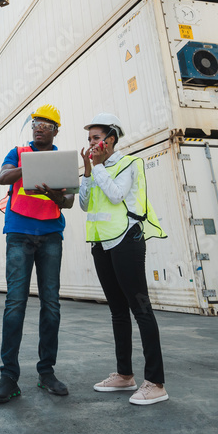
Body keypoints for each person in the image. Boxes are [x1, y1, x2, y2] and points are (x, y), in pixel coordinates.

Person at [78, 113, 169, 406]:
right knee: (117, 311)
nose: (91, 143)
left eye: (96, 138)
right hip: (102, 243)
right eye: (89, 139)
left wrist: (98, 167)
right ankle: (124, 374)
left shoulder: (131, 164)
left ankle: (156, 382)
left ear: (111, 139)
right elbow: (83, 204)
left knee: (141, 309)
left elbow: (117, 196)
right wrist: (87, 171)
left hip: (127, 241)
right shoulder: (94, 168)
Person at [0, 104, 74, 404]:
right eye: (36, 122)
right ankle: (8, 377)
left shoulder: (62, 161)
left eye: (46, 124)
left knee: (51, 305)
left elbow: (69, 202)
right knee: (15, 303)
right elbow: (2, 178)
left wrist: (54, 191)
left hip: (51, 235)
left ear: (55, 130)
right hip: (19, 235)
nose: (39, 127)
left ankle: (46, 373)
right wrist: (31, 167)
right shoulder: (17, 152)